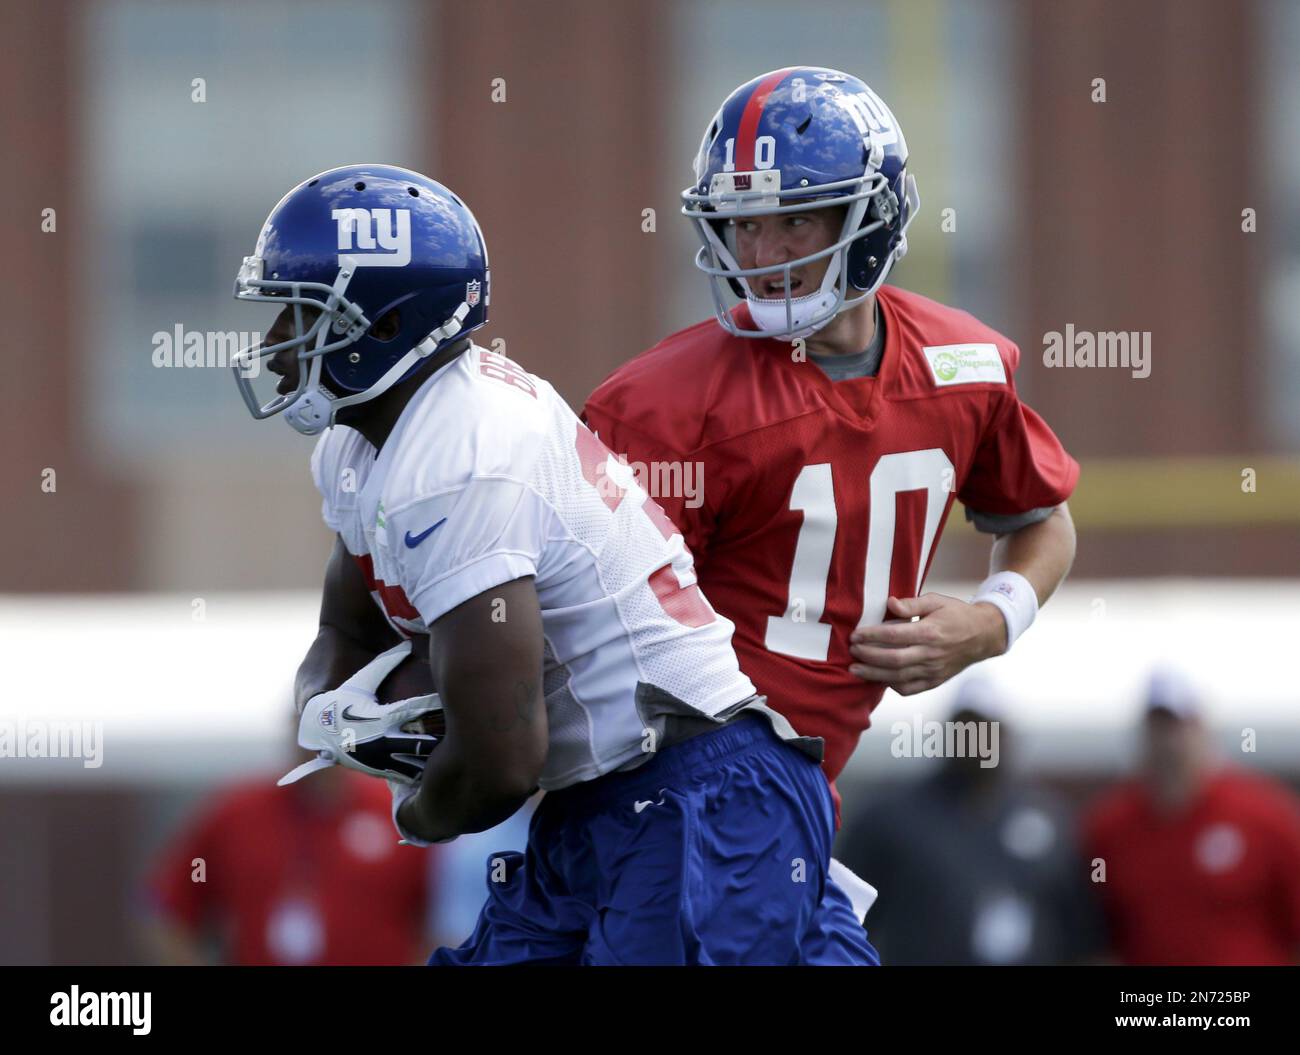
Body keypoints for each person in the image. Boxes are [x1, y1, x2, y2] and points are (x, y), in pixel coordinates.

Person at [228, 163, 876, 965]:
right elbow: (346, 627)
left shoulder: (461, 455)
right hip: (607, 801)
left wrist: (410, 810)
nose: (273, 347)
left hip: (696, 793)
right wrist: (330, 713)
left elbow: (502, 761)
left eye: (302, 315)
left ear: (385, 329)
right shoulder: (364, 445)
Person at [583, 66, 1079, 832]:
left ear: (872, 219)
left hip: (797, 792)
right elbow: (596, 635)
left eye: (794, 221)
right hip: (679, 794)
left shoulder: (961, 364)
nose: (760, 251)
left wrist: (990, 622)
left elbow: (1041, 517)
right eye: (742, 223)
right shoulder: (665, 406)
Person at [836, 677, 1105, 964]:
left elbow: (1079, 929)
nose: (977, 739)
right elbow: (847, 917)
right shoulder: (891, 819)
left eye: (987, 728)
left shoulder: (1048, 819)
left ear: (1007, 735)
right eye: (966, 728)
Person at [142, 723, 434, 965]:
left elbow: (442, 918)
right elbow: (168, 907)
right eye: (305, 728)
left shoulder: (392, 815)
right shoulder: (236, 816)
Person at [1083, 668, 1300, 965]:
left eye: (1178, 726)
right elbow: (1097, 933)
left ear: (1202, 730)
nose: (1169, 742)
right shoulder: (1110, 829)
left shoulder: (1265, 817)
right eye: (1158, 728)